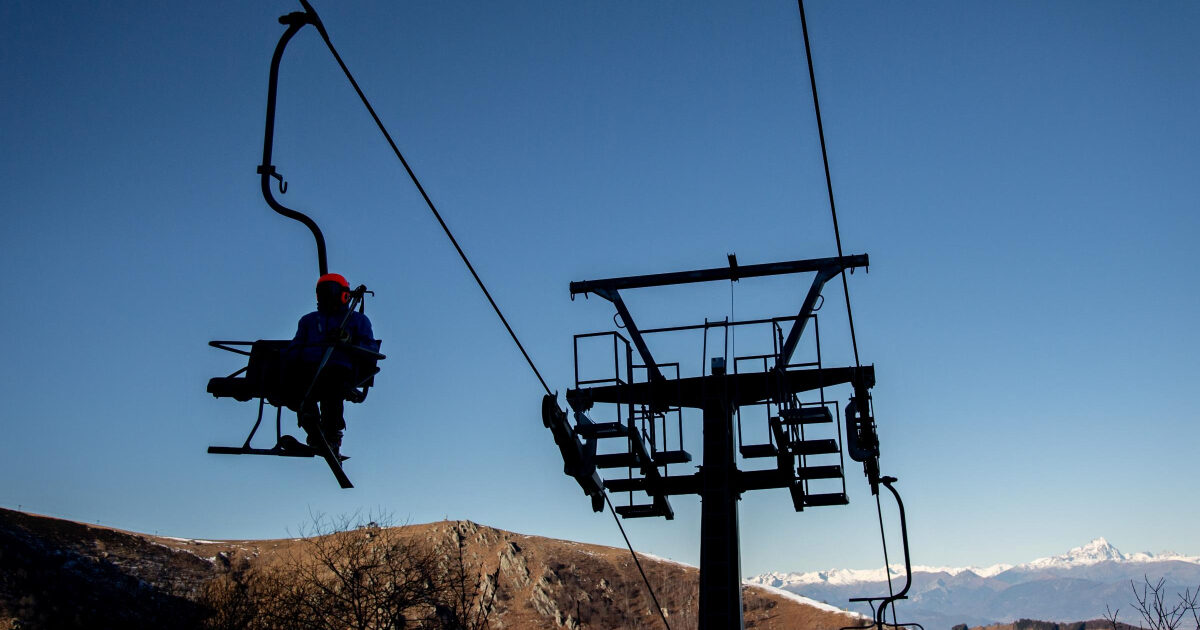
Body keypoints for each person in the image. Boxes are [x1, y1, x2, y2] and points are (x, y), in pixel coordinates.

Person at [285, 273, 375, 456]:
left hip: (339, 369)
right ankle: (313, 429)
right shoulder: (309, 320)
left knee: (332, 387)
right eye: (322, 292)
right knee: (295, 384)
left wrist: (348, 341)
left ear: (343, 294)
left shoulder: (356, 320)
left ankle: (332, 435)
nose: (327, 296)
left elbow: (370, 348)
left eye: (331, 291)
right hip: (309, 367)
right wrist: (293, 359)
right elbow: (296, 345)